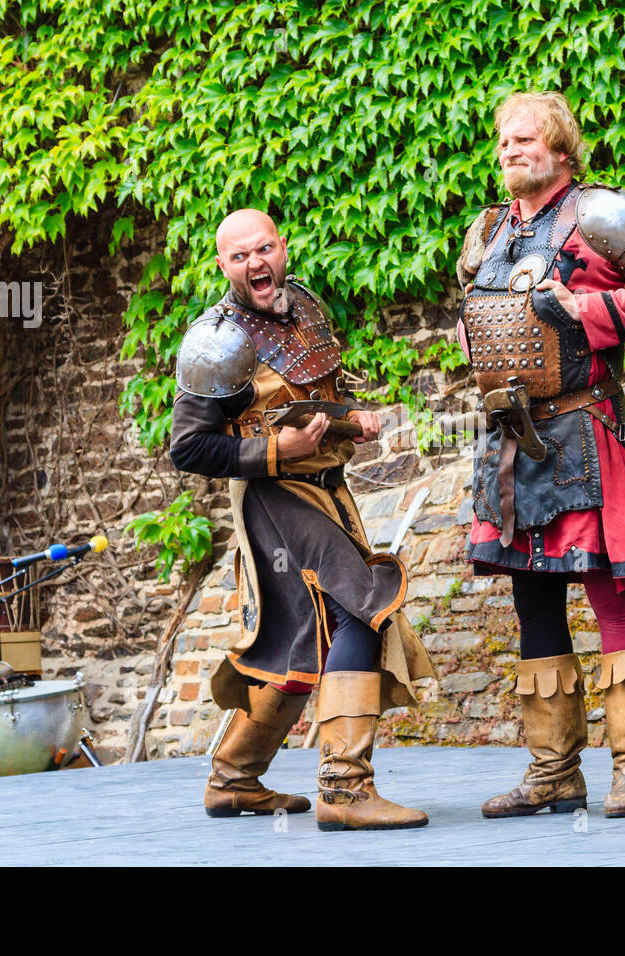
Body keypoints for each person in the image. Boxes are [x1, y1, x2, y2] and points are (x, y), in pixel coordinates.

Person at [454, 91, 625, 819]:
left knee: (611, 592)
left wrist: (585, 312)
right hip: (509, 440)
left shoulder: (600, 214)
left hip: (581, 429)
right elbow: (471, 313)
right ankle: (554, 773)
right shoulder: (488, 231)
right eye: (503, 142)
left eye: (525, 140)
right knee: (533, 600)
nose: (509, 152)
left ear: (561, 148)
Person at [170, 209, 434, 831]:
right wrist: (274, 453)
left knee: (300, 638)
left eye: (263, 249)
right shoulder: (216, 340)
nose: (255, 264)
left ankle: (234, 779)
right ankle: (344, 789)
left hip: (324, 489)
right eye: (239, 257)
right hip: (274, 498)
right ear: (223, 265)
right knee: (363, 610)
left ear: (282, 248)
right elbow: (187, 448)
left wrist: (350, 418)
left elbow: (309, 403)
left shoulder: (305, 308)